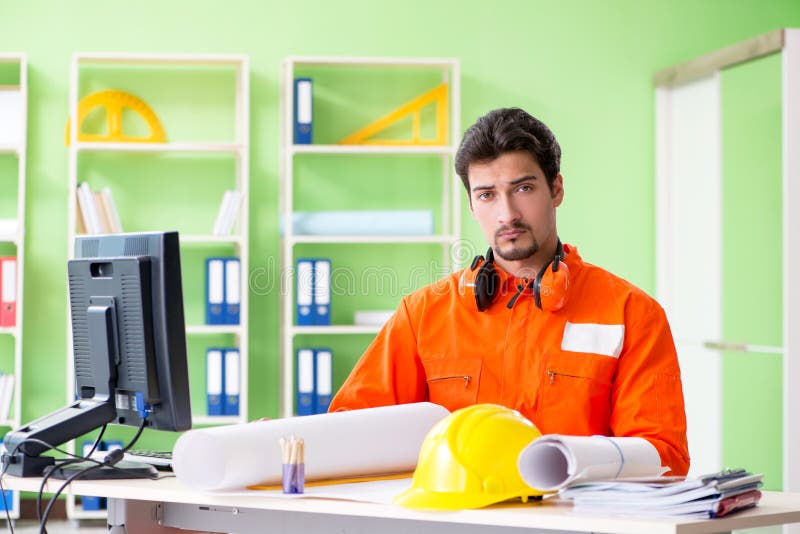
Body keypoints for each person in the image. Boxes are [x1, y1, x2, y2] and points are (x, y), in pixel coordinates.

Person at [328, 107, 690, 475]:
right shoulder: (422, 314)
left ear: (557, 189)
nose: (507, 213)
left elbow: (663, 458)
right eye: (487, 195)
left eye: (524, 188)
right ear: (471, 204)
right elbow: (351, 433)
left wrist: (565, 464)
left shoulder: (631, 313)